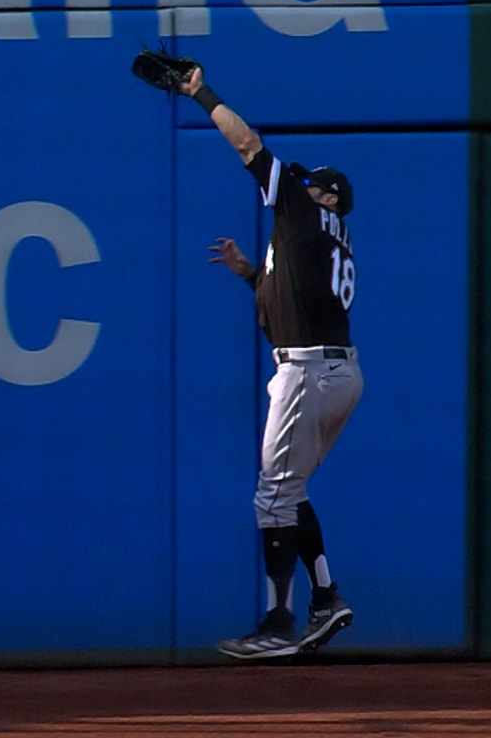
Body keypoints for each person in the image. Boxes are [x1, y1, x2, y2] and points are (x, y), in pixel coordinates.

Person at [179, 65, 364, 660]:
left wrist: (200, 92)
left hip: (308, 373)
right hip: (337, 372)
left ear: (329, 198)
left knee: (271, 496)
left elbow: (248, 145)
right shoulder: (327, 236)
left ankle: (278, 624)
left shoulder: (305, 213)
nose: (302, 187)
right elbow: (292, 299)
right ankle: (326, 598)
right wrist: (249, 275)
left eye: (313, 185)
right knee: (290, 489)